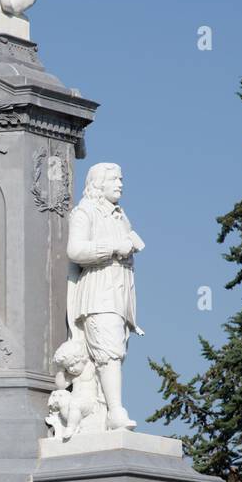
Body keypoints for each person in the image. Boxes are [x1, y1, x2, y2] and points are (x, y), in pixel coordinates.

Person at [66, 162, 145, 431]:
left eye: (121, 179)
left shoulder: (122, 217)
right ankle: (115, 413)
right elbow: (75, 250)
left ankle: (103, 409)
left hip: (120, 294)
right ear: (99, 183)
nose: (120, 184)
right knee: (109, 353)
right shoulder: (85, 211)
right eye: (114, 180)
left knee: (116, 353)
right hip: (98, 292)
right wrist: (113, 248)